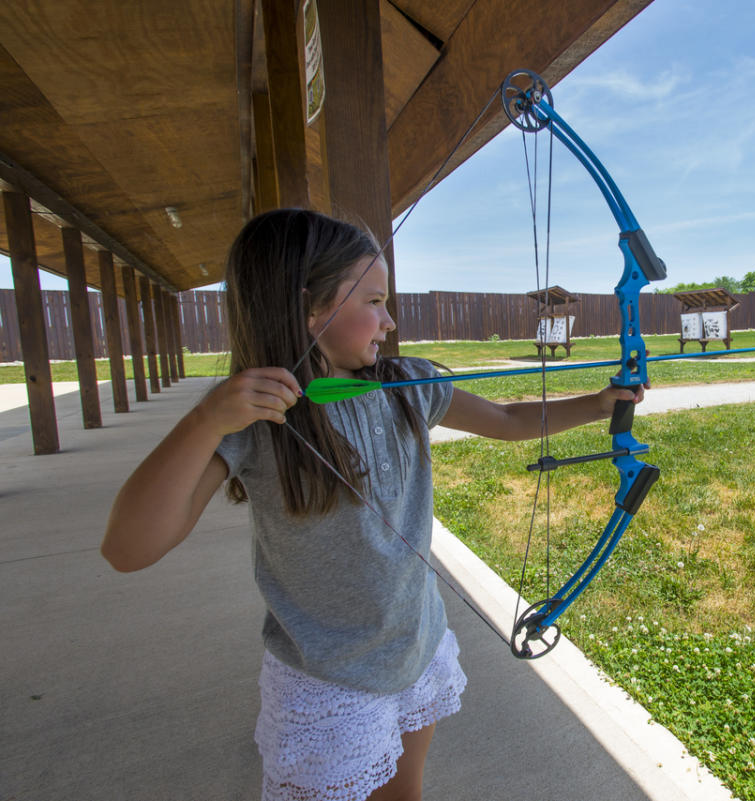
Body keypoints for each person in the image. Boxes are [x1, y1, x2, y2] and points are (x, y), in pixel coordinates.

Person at [101, 208, 645, 801]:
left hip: (416, 642)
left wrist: (600, 403)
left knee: (403, 791)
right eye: (374, 302)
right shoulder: (252, 416)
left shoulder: (406, 385)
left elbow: (510, 420)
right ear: (309, 308)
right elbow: (129, 548)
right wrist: (206, 421)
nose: (389, 321)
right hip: (327, 680)